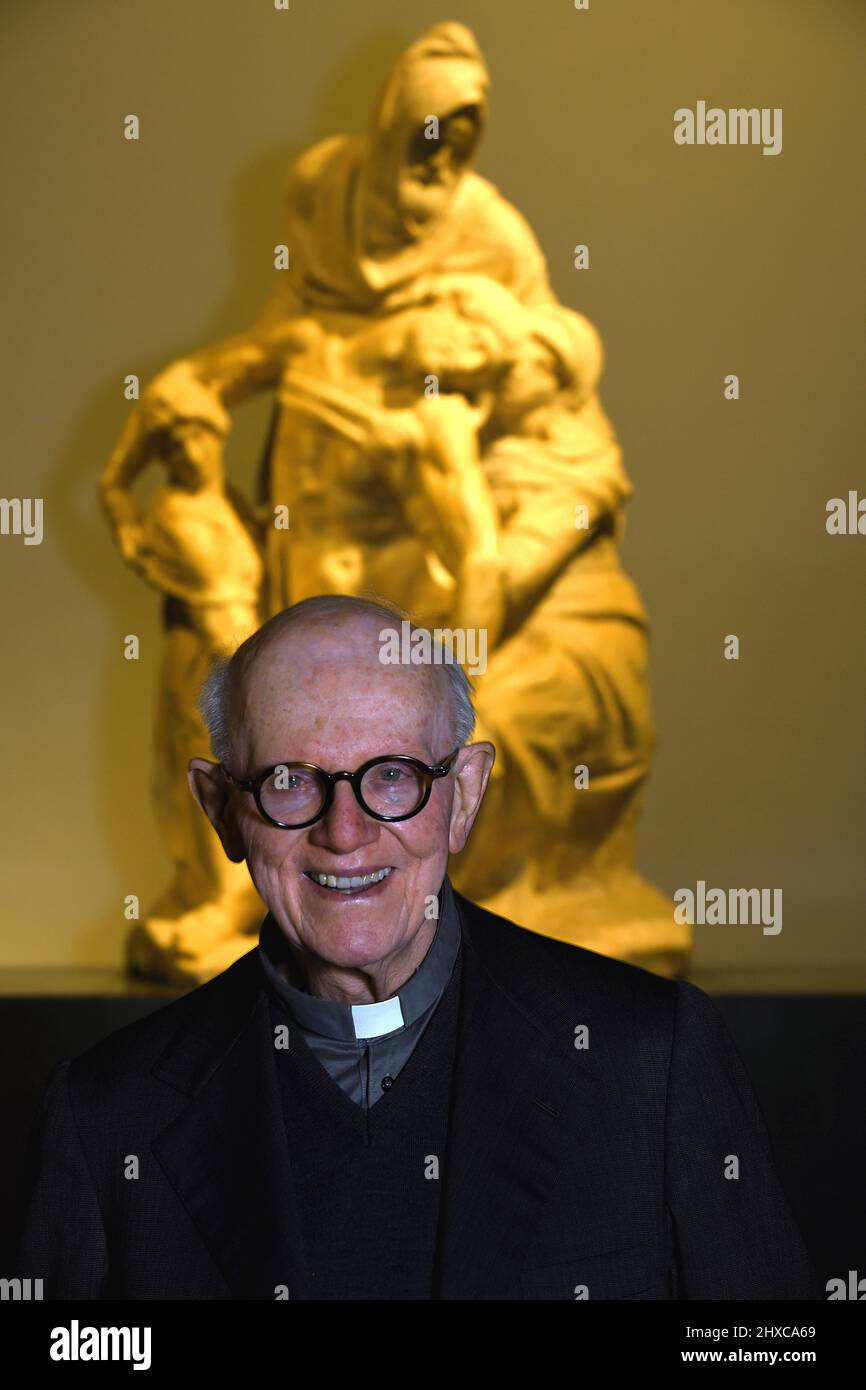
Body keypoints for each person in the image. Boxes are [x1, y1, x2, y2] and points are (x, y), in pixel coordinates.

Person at [16, 595, 818, 1299]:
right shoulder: (107, 1117)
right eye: (292, 779)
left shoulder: (652, 1060)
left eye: (393, 775)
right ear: (224, 811)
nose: (345, 832)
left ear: (463, 796)